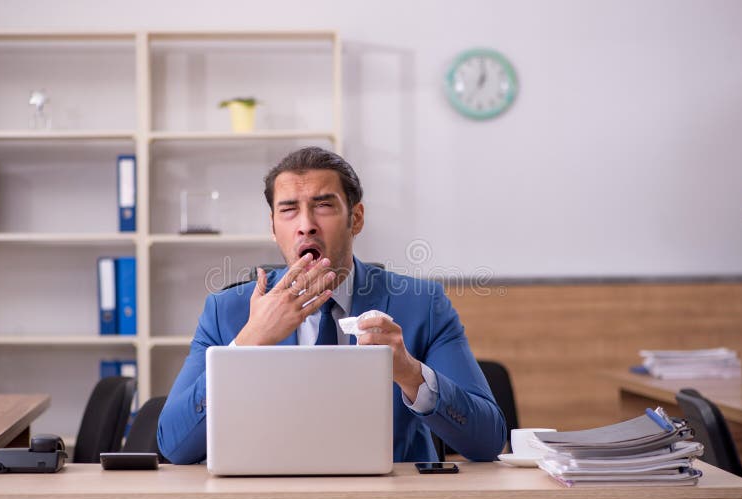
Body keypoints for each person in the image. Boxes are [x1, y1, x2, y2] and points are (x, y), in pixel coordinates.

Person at [157, 146, 506, 464]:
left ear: (356, 219)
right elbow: (174, 446)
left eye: (323, 206)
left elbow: (487, 441)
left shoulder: (422, 305)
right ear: (273, 226)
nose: (306, 225)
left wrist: (409, 373)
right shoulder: (225, 311)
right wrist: (248, 343)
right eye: (289, 210)